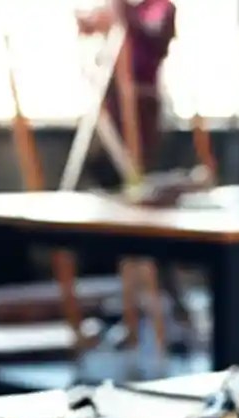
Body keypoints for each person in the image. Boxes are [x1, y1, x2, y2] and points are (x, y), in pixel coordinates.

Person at [76, 0, 195, 348]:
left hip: (141, 125)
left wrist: (118, 11)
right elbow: (96, 27)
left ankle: (173, 309)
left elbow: (150, 40)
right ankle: (132, 315)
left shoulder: (160, 9)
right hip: (113, 123)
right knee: (121, 225)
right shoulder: (125, 11)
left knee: (150, 223)